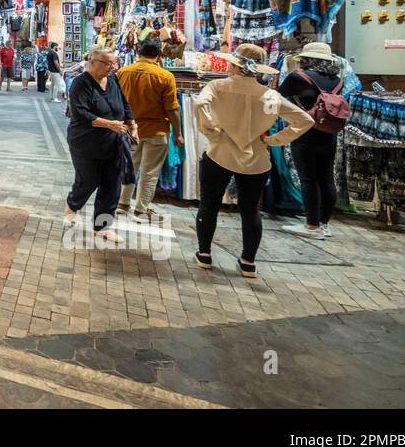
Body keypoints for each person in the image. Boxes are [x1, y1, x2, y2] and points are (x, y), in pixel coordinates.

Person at [193, 44, 314, 279]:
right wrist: (274, 139)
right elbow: (305, 120)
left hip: (220, 153)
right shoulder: (269, 95)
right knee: (250, 211)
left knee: (209, 204)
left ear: (235, 65)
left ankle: (204, 253)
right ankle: (248, 261)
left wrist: (213, 131)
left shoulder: (218, 86)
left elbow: (200, 104)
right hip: (256, 159)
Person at [63, 48, 135, 243]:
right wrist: (109, 123)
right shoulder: (80, 83)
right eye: (108, 63)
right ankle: (72, 204)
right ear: (93, 62)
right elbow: (81, 113)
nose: (112, 67)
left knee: (112, 185)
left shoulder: (113, 80)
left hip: (113, 142)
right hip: (85, 142)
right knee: (89, 180)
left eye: (113, 63)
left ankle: (102, 227)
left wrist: (131, 123)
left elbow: (124, 103)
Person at [277, 41, 346, 240]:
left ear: (306, 59)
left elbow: (278, 98)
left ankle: (312, 225)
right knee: (326, 178)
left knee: (308, 178)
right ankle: (324, 224)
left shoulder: (297, 77)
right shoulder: (336, 80)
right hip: (329, 134)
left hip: (305, 133)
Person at [115, 39, 184, 222]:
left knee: (130, 167)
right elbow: (172, 109)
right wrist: (178, 133)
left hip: (129, 129)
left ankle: (122, 204)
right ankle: (140, 210)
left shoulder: (122, 72)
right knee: (150, 172)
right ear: (159, 54)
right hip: (156, 131)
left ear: (138, 51)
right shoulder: (164, 76)